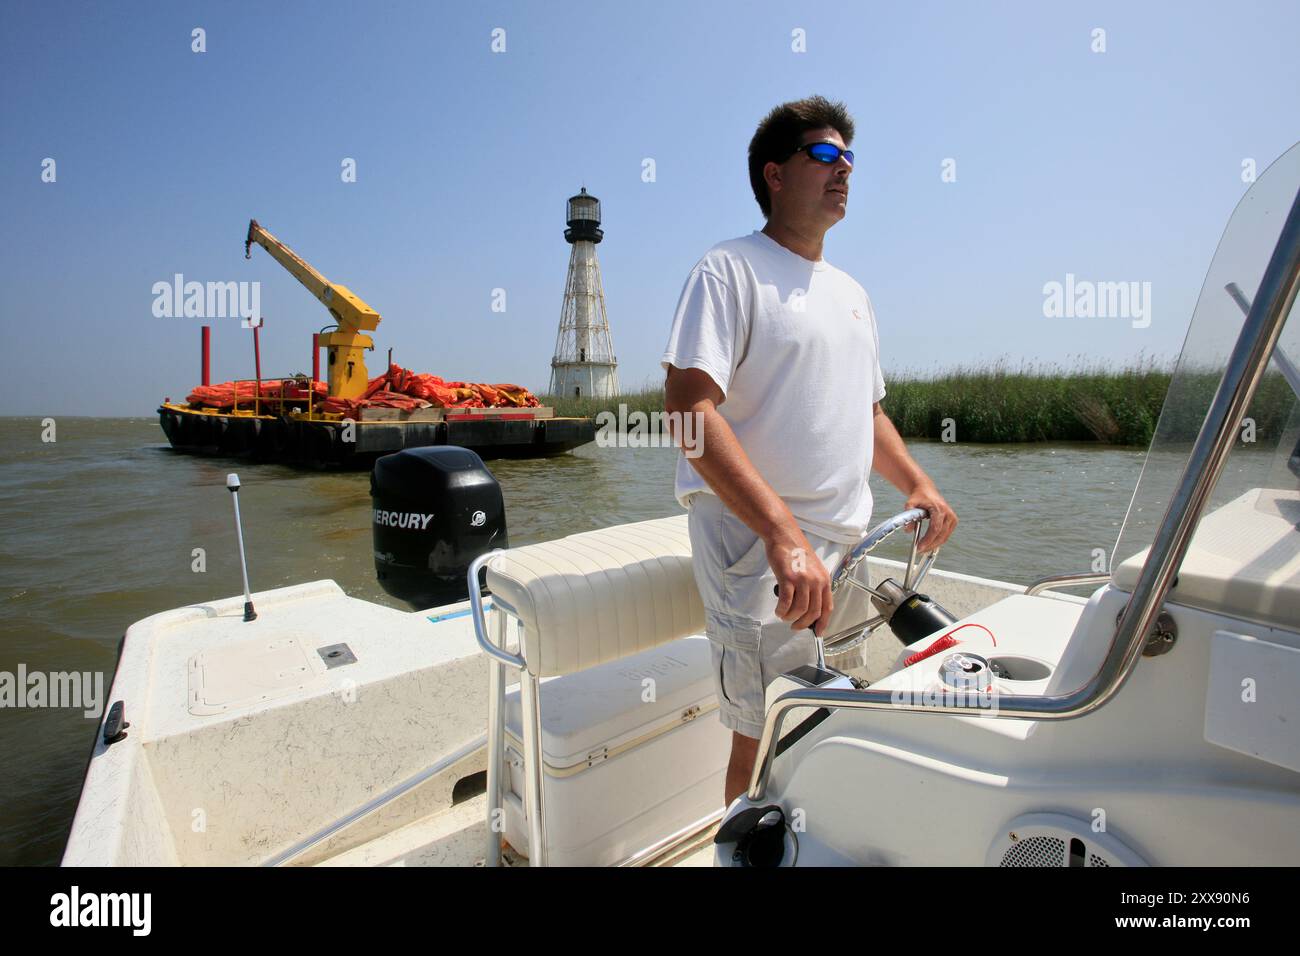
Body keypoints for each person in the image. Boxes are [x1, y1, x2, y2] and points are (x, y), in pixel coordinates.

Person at [661, 95, 958, 806]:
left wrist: (917, 484)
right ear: (774, 175)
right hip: (759, 545)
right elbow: (688, 412)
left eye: (849, 158)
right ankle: (742, 845)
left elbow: (867, 411)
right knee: (765, 733)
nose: (843, 169)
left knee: (830, 717)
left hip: (847, 546)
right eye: (824, 155)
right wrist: (781, 534)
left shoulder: (852, 293)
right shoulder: (728, 270)